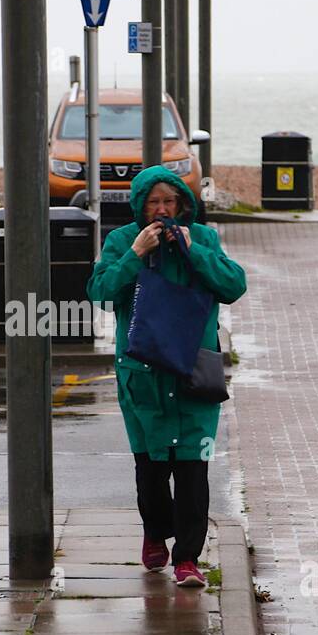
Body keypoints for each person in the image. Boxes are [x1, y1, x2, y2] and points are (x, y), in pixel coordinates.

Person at [86, 165, 247, 587]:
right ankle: (155, 532)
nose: (162, 210)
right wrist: (134, 253)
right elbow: (100, 293)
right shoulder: (122, 241)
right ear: (140, 206)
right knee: (152, 470)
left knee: (194, 469)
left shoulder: (204, 238)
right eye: (154, 202)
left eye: (169, 202)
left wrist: (196, 251)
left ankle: (188, 559)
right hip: (143, 374)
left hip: (195, 371)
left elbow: (233, 286)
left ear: (183, 203)